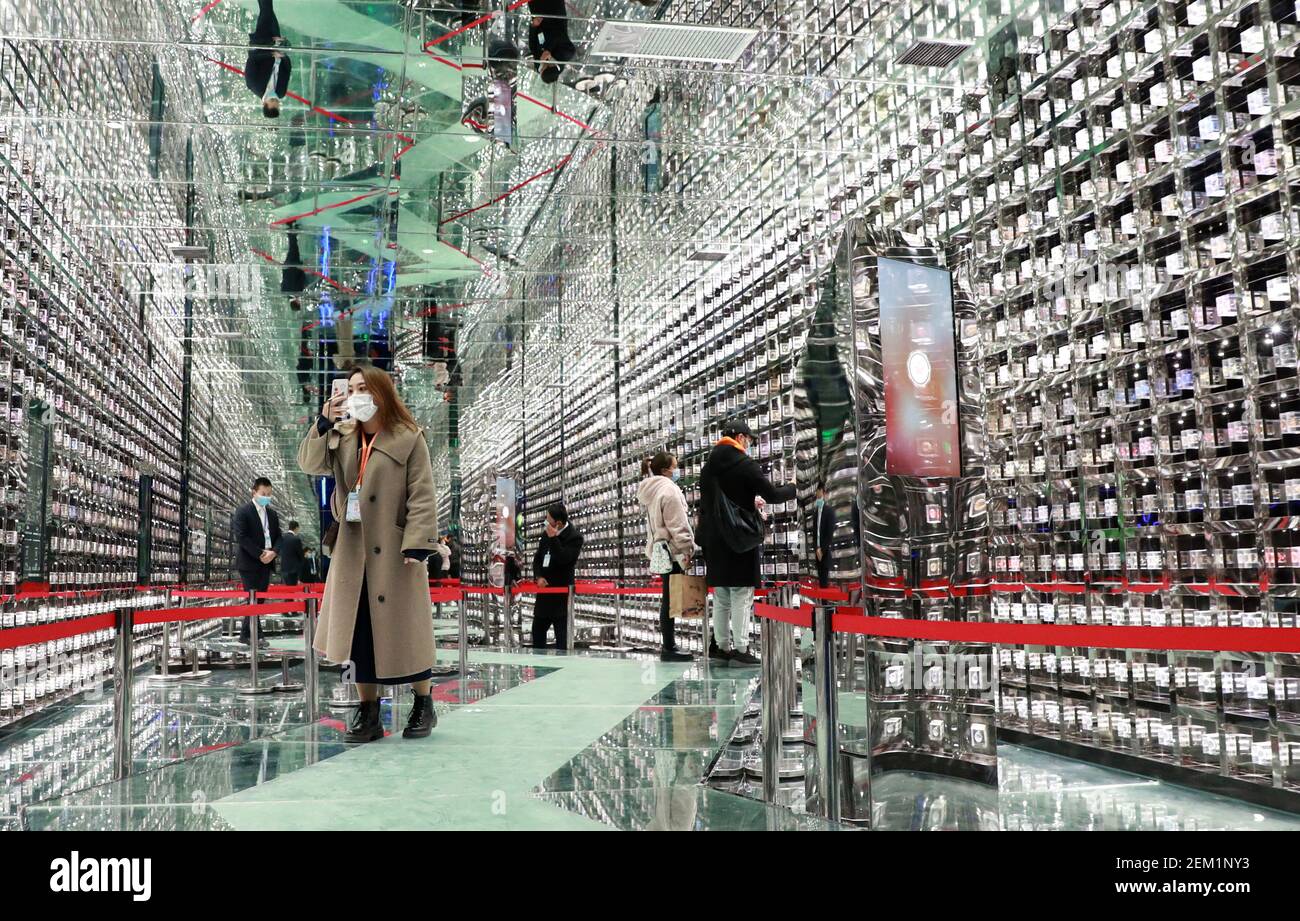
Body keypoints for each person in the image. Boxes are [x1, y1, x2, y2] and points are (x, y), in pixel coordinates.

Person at [298, 364, 440, 742]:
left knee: (405, 631)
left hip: (396, 554)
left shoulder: (408, 437)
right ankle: (369, 711)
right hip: (353, 552)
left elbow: (422, 494)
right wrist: (323, 423)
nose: (357, 394)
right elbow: (309, 464)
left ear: (381, 393)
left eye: (364, 388)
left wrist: (418, 542)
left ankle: (424, 703)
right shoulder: (343, 436)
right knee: (359, 634)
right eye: (353, 388)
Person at [697, 421, 795, 666]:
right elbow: (772, 494)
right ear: (740, 437)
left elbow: (717, 504)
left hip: (713, 539)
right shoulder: (744, 464)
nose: (749, 445)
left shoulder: (708, 467)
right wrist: (795, 488)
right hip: (738, 538)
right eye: (749, 440)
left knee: (721, 595)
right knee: (741, 593)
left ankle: (721, 647)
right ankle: (741, 648)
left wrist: (748, 502)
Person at [636, 451, 695, 662]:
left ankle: (669, 644)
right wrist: (688, 547)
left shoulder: (653, 490)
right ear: (665, 470)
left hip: (660, 549)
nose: (677, 470)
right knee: (670, 599)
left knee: (668, 597)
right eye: (675, 466)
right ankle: (669, 647)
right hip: (672, 551)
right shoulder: (669, 491)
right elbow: (678, 525)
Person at [231, 477, 281, 645]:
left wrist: (273, 553)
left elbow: (279, 537)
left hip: (267, 561)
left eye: (269, 494)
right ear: (254, 492)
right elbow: (241, 537)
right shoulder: (243, 511)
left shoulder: (272, 514)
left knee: (259, 599)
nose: (266, 497)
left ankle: (245, 634)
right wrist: (260, 554)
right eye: (263, 493)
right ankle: (257, 635)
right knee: (253, 598)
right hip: (250, 562)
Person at [531, 503, 583, 649]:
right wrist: (538, 576)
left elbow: (564, 559)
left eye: (548, 519)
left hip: (561, 596)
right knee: (537, 633)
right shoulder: (545, 535)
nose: (545, 522)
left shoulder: (575, 538)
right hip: (544, 594)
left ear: (558, 523)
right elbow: (537, 558)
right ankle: (539, 668)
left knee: (562, 640)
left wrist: (554, 538)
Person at [245, 0, 292, 118]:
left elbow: (252, 58)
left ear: (265, 104)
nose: (276, 101)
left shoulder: (253, 85)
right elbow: (287, 68)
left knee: (266, 11)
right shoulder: (281, 92)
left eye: (273, 103)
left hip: (263, 41)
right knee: (267, 11)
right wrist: (283, 56)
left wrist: (271, 52)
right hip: (277, 43)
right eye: (277, 104)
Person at [527, 0, 575, 85]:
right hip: (554, 11)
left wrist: (533, 26)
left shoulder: (538, 65)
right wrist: (548, 50)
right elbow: (559, 35)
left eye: (541, 69)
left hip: (538, 16)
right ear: (551, 65)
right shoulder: (566, 54)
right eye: (543, 67)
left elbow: (533, 46)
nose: (541, 66)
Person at [812, 484, 835, 589]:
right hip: (817, 551)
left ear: (824, 493)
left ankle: (826, 603)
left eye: (818, 492)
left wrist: (822, 550)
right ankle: (822, 602)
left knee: (825, 581)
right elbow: (815, 532)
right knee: (820, 581)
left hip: (824, 551)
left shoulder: (829, 511)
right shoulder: (816, 512)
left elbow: (829, 533)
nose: (817, 496)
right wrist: (816, 548)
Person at [278, 519, 306, 586]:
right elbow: (301, 555)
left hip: (283, 568)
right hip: (293, 569)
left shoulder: (282, 538)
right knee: (292, 590)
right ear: (296, 528)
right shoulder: (296, 539)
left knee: (285, 591)